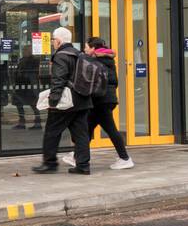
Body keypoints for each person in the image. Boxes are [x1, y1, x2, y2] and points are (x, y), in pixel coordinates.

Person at [32, 27, 92, 175]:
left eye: (53, 39)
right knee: (81, 135)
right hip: (82, 100)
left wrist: (53, 101)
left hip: (67, 101)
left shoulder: (61, 56)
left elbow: (59, 80)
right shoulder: (79, 54)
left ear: (58, 41)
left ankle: (49, 163)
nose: (52, 42)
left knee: (52, 132)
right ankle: (83, 165)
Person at [81, 36, 133, 169]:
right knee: (87, 128)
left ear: (93, 49)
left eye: (86, 47)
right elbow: (114, 82)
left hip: (101, 101)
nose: (84, 50)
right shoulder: (107, 60)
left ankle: (125, 158)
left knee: (111, 130)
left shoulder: (96, 61)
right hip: (105, 99)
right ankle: (78, 155)